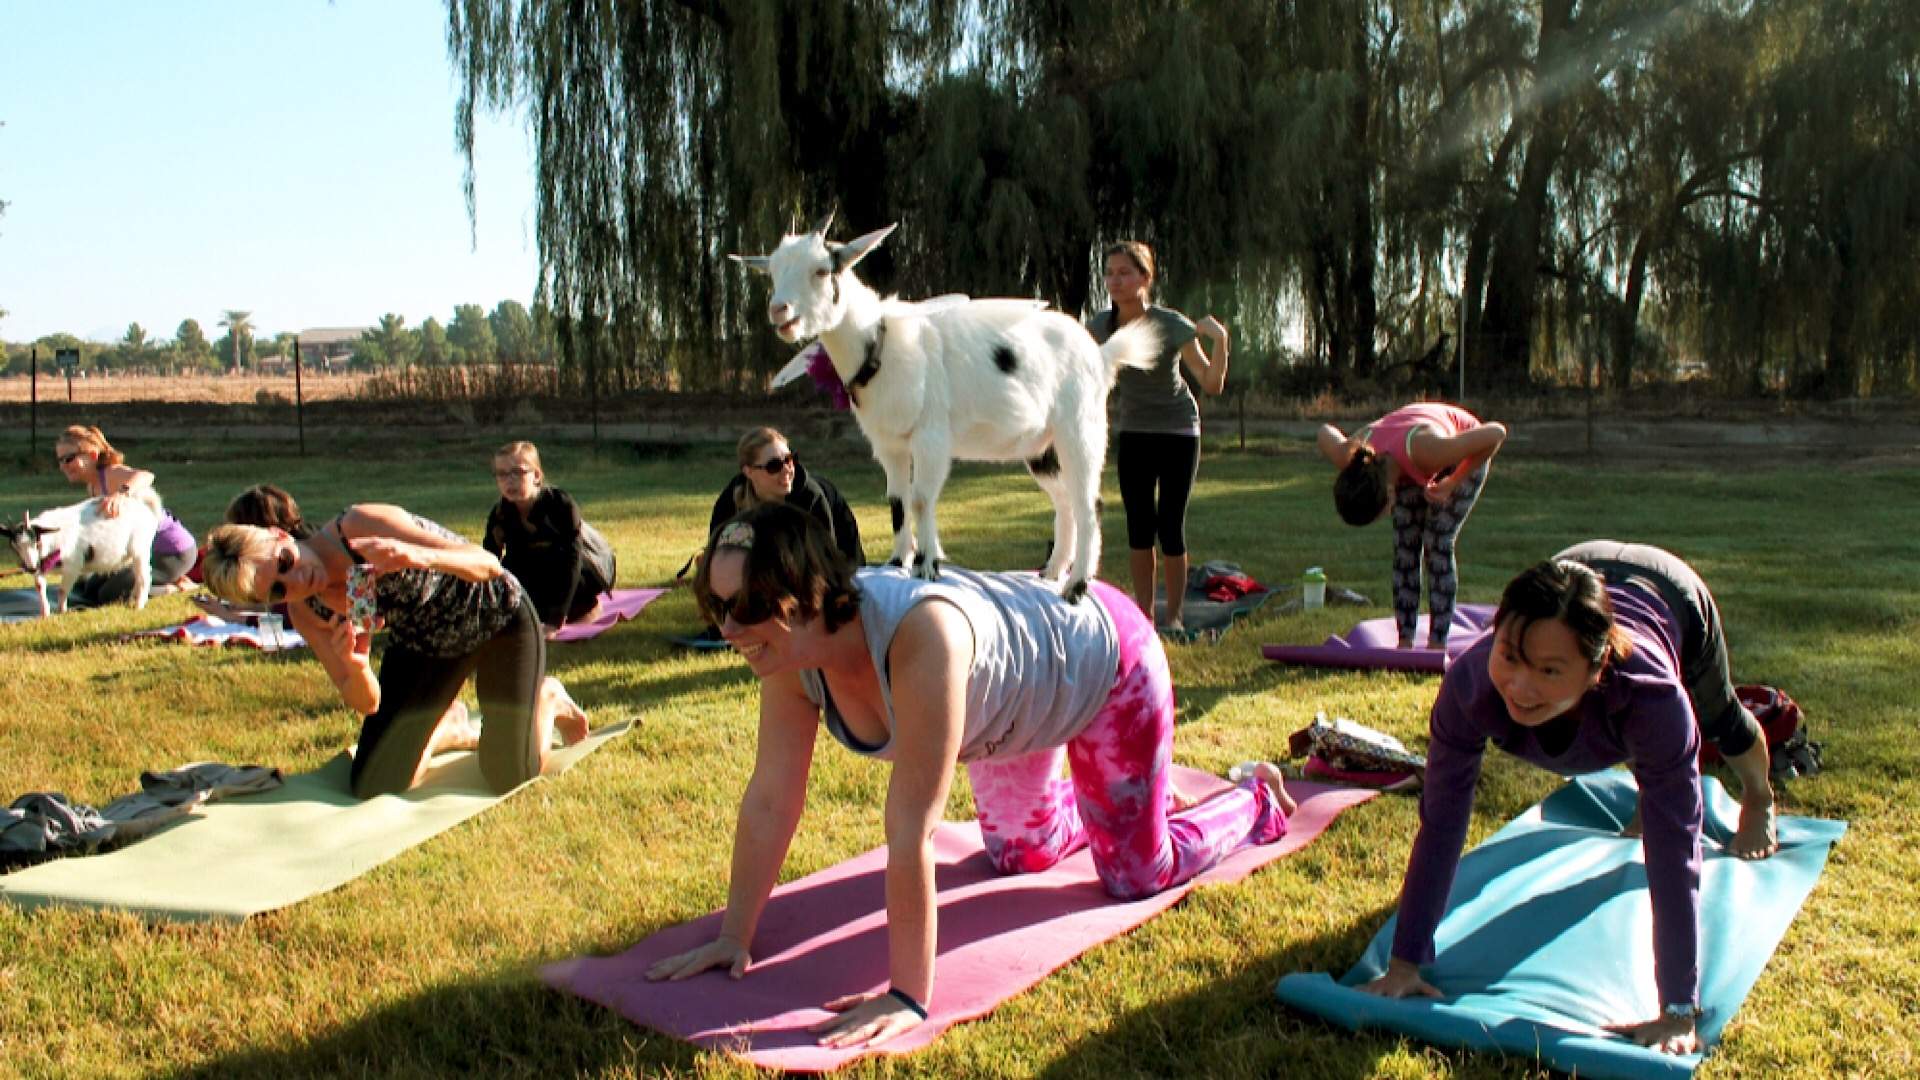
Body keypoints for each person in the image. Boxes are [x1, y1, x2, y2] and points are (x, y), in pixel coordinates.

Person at [645, 503, 1293, 1049]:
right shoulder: (789, 655)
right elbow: (770, 798)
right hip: (1014, 708)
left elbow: (911, 829)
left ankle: (1252, 796)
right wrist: (735, 935)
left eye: (748, 606)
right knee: (1019, 854)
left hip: (1108, 665)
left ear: (807, 587)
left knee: (1135, 874)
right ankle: (1118, 796)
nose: (729, 629)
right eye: (717, 606)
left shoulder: (919, 635)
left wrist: (907, 995)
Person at [1360, 545, 1780, 1056]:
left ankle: (1761, 797)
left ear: (1596, 667)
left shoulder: (1654, 700)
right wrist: (1405, 962)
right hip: (1578, 567)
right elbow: (1442, 820)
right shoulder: (1470, 686)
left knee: (1722, 722)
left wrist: (1676, 1011)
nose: (1520, 685)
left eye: (1550, 671)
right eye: (1510, 656)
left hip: (1671, 593)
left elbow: (1675, 853)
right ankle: (1648, 789)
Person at [200, 504, 590, 798]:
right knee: (374, 783)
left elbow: (486, 564)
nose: (297, 580)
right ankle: (447, 726)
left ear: (280, 535)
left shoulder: (358, 527)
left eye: (285, 563)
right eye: (278, 591)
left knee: (510, 774)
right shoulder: (309, 612)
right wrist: (356, 668)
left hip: (495, 615)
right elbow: (366, 703)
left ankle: (548, 695)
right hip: (425, 642)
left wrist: (416, 556)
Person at [1087, 242, 1230, 633]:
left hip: (1178, 431)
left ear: (1145, 279)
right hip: (1133, 433)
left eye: (1124, 273)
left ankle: (1175, 617)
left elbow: (1211, 383)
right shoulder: (1100, 327)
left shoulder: (1171, 324)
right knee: (1138, 526)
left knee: (1170, 526)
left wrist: (1221, 342)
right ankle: (1145, 616)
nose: (1115, 281)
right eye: (1110, 273)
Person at [1317, 404, 1507, 650]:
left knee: (1437, 541)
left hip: (1460, 448)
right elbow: (1323, 431)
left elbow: (1495, 433)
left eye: (1382, 513)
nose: (1387, 516)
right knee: (1405, 546)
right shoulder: (1351, 457)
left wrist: (1452, 481)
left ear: (1388, 493)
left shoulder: (1429, 451)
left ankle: (1437, 643)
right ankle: (1405, 641)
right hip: (1401, 456)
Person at [53, 425, 197, 606]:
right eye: (60, 461)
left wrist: (122, 493)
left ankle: (173, 588)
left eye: (69, 458)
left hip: (172, 551)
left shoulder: (111, 474)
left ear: (92, 456)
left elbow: (146, 476)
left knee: (110, 594)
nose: (63, 466)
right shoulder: (93, 487)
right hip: (141, 552)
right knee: (90, 588)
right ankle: (165, 579)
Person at [483, 441, 616, 635]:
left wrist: (556, 620)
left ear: (536, 475)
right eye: (501, 474)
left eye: (517, 472)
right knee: (511, 582)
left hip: (587, 566)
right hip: (538, 566)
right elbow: (489, 561)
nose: (508, 481)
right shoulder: (500, 514)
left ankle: (589, 607)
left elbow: (573, 558)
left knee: (561, 577)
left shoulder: (560, 504)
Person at [708, 427, 863, 565]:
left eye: (789, 460)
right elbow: (715, 560)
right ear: (748, 471)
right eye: (774, 466)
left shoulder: (811, 497)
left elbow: (826, 563)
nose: (787, 470)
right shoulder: (731, 500)